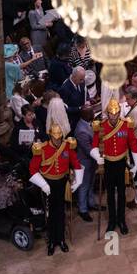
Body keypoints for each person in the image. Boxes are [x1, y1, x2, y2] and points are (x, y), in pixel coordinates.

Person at [27, 98, 83, 255]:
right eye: (55, 137)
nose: (57, 140)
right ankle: (52, 241)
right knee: (50, 214)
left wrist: (78, 180)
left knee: (61, 213)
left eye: (59, 137)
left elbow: (76, 163)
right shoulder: (42, 149)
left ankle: (61, 239)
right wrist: (43, 185)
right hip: (48, 184)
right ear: (50, 135)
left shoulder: (67, 145)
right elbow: (32, 170)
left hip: (62, 183)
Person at [90, 87, 137, 235]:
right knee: (110, 194)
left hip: (121, 163)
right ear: (107, 113)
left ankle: (122, 220)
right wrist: (97, 157)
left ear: (119, 112)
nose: (113, 116)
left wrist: (136, 163)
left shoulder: (126, 125)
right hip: (108, 164)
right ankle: (112, 221)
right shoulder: (101, 127)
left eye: (116, 113)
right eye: (111, 114)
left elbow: (132, 143)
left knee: (122, 193)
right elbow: (93, 146)